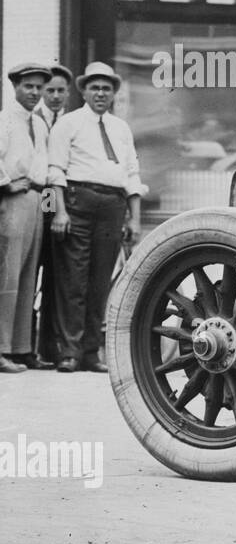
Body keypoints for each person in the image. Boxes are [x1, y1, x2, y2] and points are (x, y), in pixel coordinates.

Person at [46, 62, 146, 374]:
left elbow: (131, 173)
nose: (100, 93)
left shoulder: (121, 128)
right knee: (73, 279)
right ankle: (70, 352)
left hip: (112, 206)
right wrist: (60, 211)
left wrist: (134, 219)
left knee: (100, 280)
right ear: (84, 91)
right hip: (78, 202)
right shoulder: (69, 124)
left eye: (106, 88)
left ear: (114, 93)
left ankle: (91, 351)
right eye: (95, 87)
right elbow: (56, 171)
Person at [0, 64, 54, 373]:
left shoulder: (41, 123)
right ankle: (1, 349)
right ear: (15, 86)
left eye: (39, 88)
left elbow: (44, 172)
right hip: (14, 200)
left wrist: (47, 211)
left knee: (27, 277)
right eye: (28, 86)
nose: (34, 93)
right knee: (7, 277)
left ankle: (20, 348)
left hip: (36, 201)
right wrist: (7, 183)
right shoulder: (5, 120)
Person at [33, 64, 72, 364]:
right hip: (41, 200)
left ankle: (49, 345)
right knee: (32, 274)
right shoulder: (34, 121)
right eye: (50, 91)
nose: (55, 96)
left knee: (56, 280)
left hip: (59, 202)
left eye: (60, 91)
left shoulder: (70, 123)